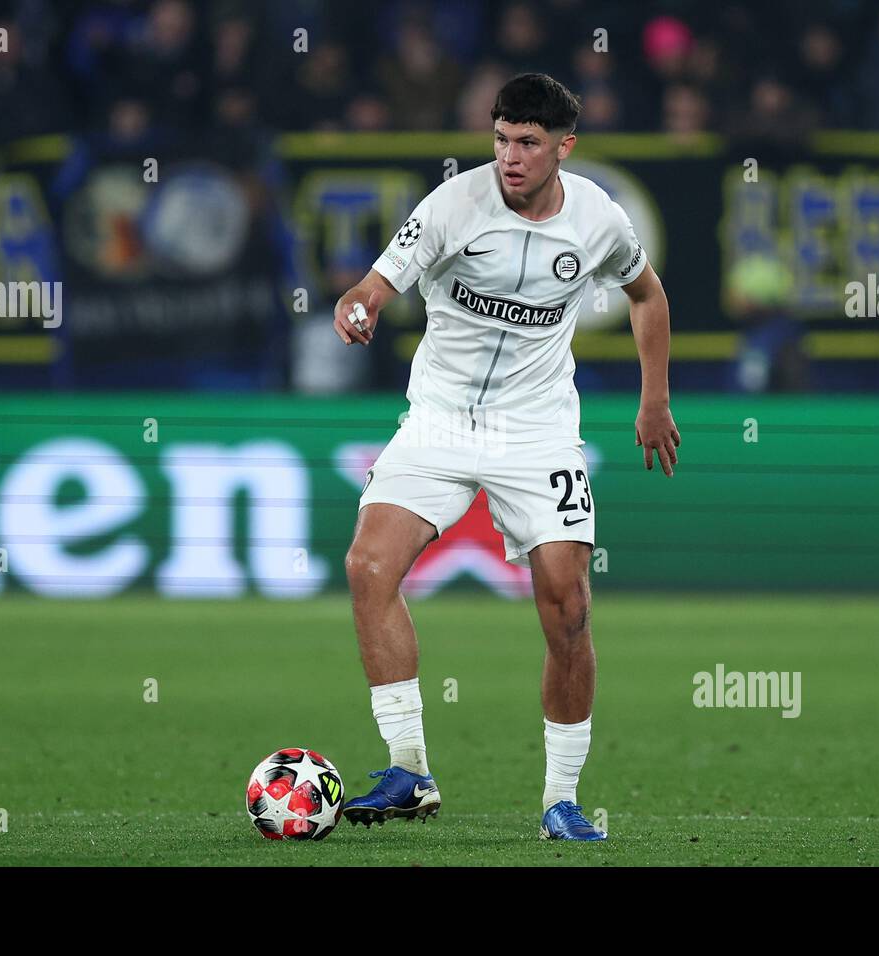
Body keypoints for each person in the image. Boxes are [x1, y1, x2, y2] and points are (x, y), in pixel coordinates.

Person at [331, 73, 680, 841]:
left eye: (527, 142)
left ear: (564, 146)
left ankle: (561, 798)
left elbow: (647, 296)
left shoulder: (598, 219)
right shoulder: (454, 205)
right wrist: (357, 306)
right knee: (367, 567)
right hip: (440, 422)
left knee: (569, 603)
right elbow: (376, 283)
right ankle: (409, 770)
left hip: (537, 431)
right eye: (500, 139)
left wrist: (653, 400)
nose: (510, 157)